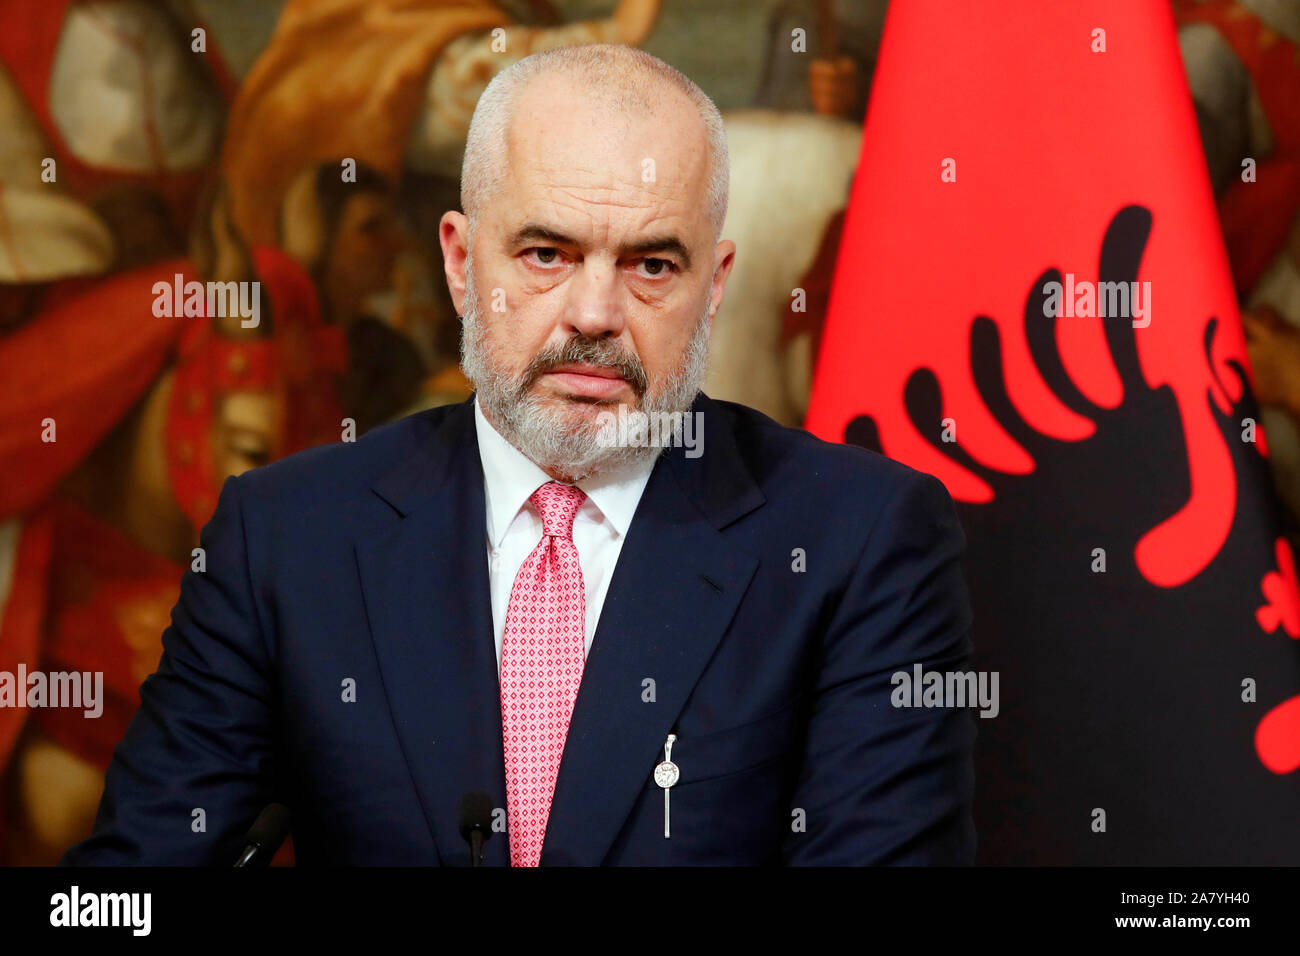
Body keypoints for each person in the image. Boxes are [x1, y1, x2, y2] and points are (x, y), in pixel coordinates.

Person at [61, 44, 976, 867]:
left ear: (715, 284)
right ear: (461, 264)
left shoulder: (858, 540)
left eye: (653, 265)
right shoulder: (285, 539)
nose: (593, 314)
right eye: (547, 253)